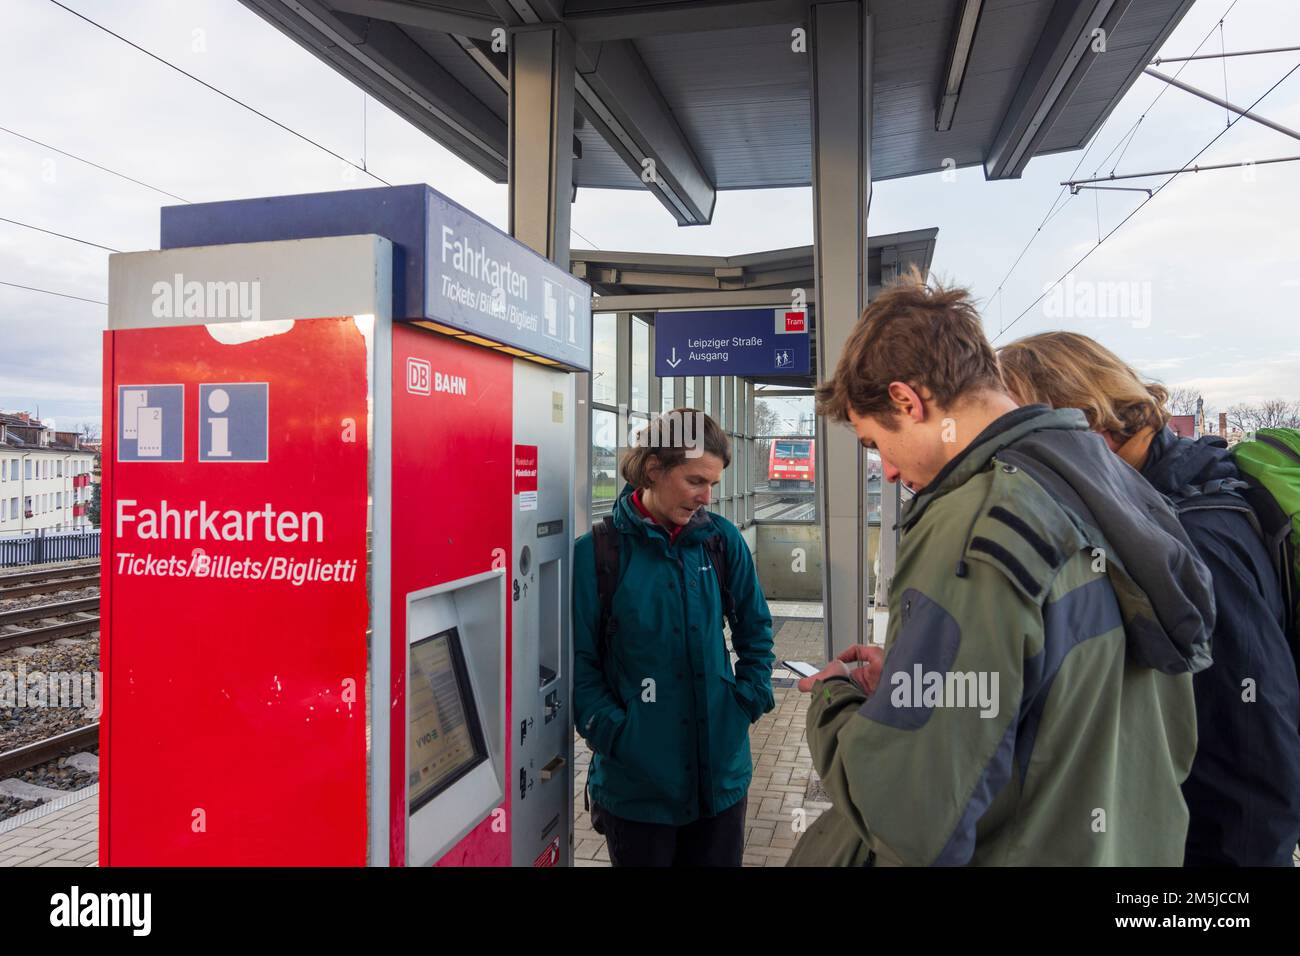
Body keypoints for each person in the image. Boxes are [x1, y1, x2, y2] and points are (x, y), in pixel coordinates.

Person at [787, 267, 1216, 866]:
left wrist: (834, 702)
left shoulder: (977, 520)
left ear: (907, 401)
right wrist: (921, 671)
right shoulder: (1111, 486)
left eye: (874, 443)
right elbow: (1057, 695)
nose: (884, 470)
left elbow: (911, 816)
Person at [999, 330, 1300, 866]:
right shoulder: (1148, 507)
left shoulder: (1192, 540)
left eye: (1027, 446)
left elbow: (1257, 765)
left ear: (1088, 424)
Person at [573, 408, 774, 866]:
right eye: (695, 481)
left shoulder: (721, 542)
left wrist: (746, 701)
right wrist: (617, 733)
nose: (706, 497)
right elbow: (580, 666)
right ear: (653, 469)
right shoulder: (598, 555)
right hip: (637, 791)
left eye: (713, 486)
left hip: (719, 783)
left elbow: (756, 631)